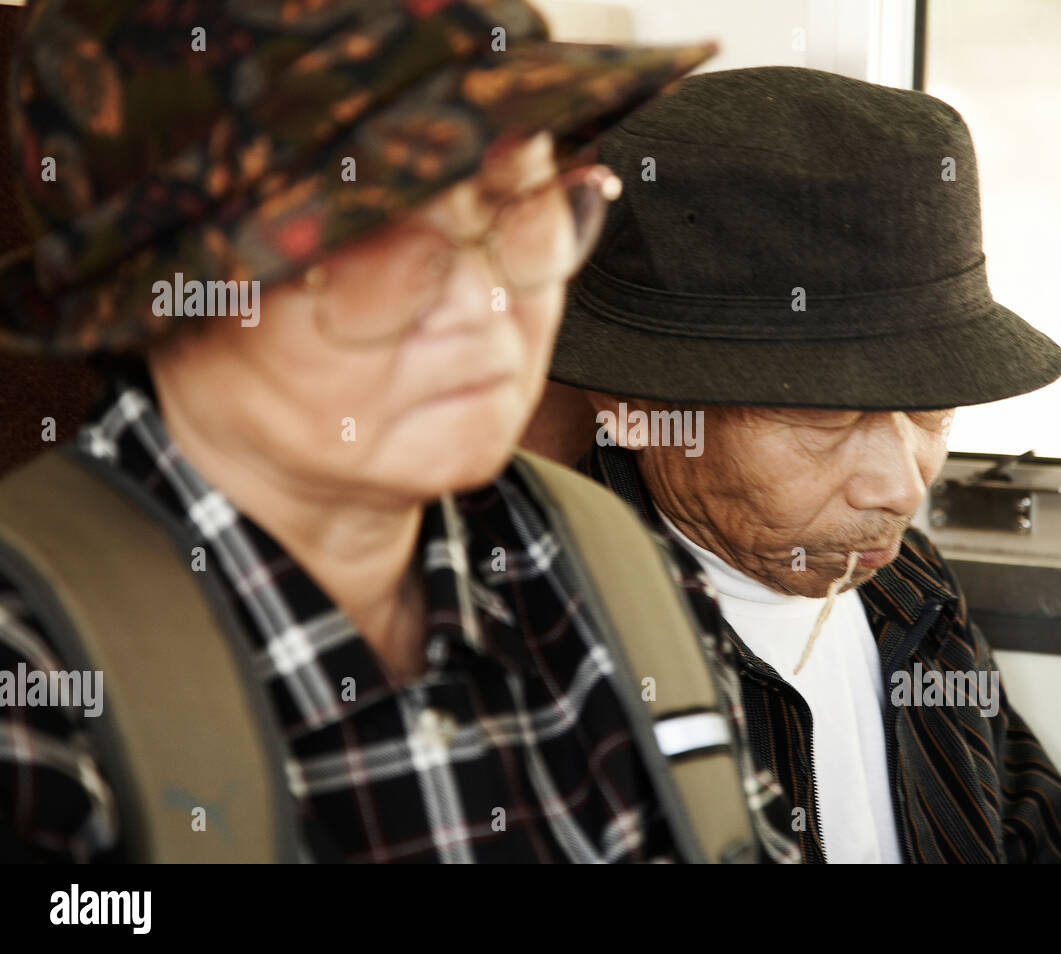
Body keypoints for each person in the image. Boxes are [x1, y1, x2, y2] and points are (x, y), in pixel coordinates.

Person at [0, 0, 801, 864]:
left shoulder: (616, 575)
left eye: (516, 203)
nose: (484, 305)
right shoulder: (36, 683)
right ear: (155, 300)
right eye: (370, 235)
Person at [524, 66, 1061, 863]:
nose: (903, 487)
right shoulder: (548, 632)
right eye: (824, 416)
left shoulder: (907, 584)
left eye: (930, 410)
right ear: (633, 406)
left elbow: (1038, 835)